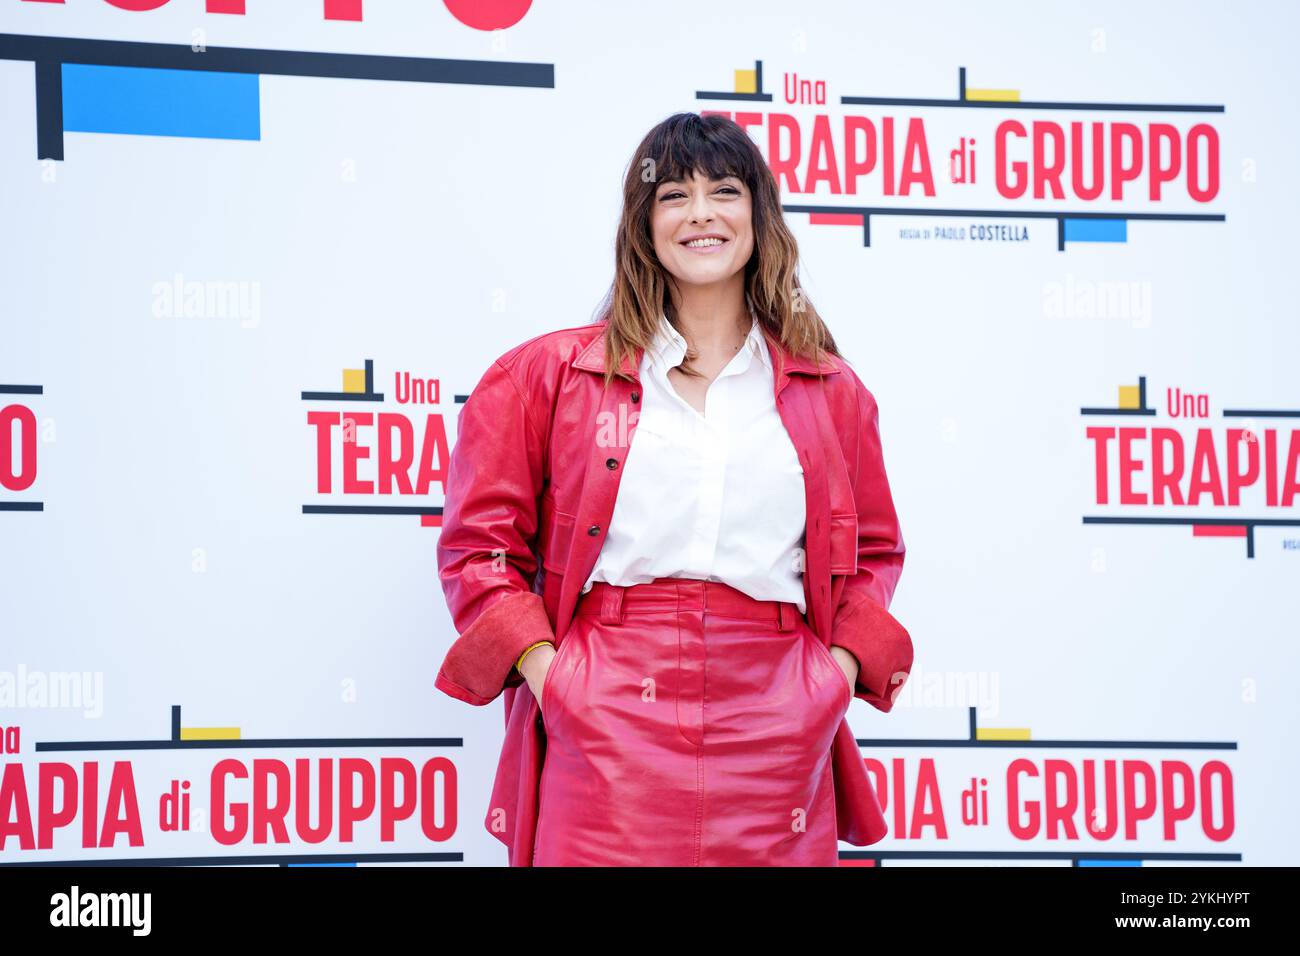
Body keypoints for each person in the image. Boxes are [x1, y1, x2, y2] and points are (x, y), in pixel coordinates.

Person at [435, 112, 912, 866]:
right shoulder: (546, 376)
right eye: (673, 195)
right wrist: (555, 680)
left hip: (779, 713)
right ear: (642, 223)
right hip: (607, 705)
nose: (700, 214)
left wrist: (831, 680)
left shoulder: (832, 390)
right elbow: (478, 546)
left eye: (724, 190)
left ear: (759, 216)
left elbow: (876, 553)